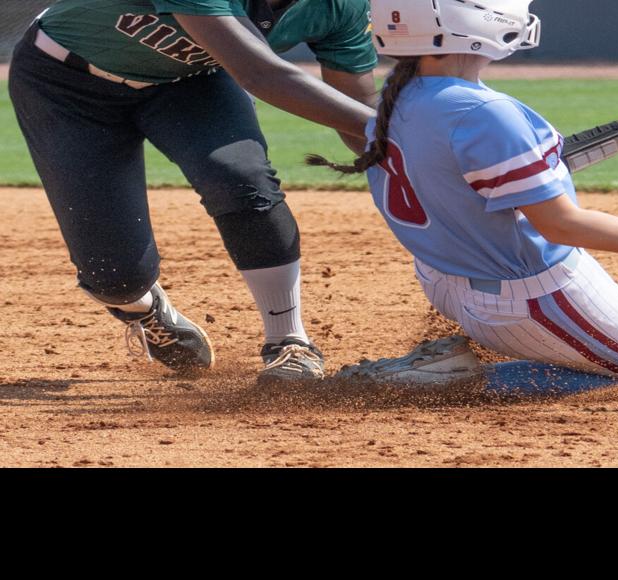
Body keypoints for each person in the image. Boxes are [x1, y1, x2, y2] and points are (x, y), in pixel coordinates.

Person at [309, 0, 618, 385]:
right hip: (532, 301)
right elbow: (562, 225)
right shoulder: (482, 111)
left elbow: (500, 178)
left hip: (453, 283)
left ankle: (497, 360)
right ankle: (463, 380)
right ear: (469, 22)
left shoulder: (397, 102)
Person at [8, 1, 380, 382]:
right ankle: (145, 309)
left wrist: (419, 170)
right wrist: (394, 134)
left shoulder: (340, 6)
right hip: (64, 85)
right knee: (116, 280)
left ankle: (290, 343)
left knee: (239, 175)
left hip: (190, 83)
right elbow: (261, 74)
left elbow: (360, 109)